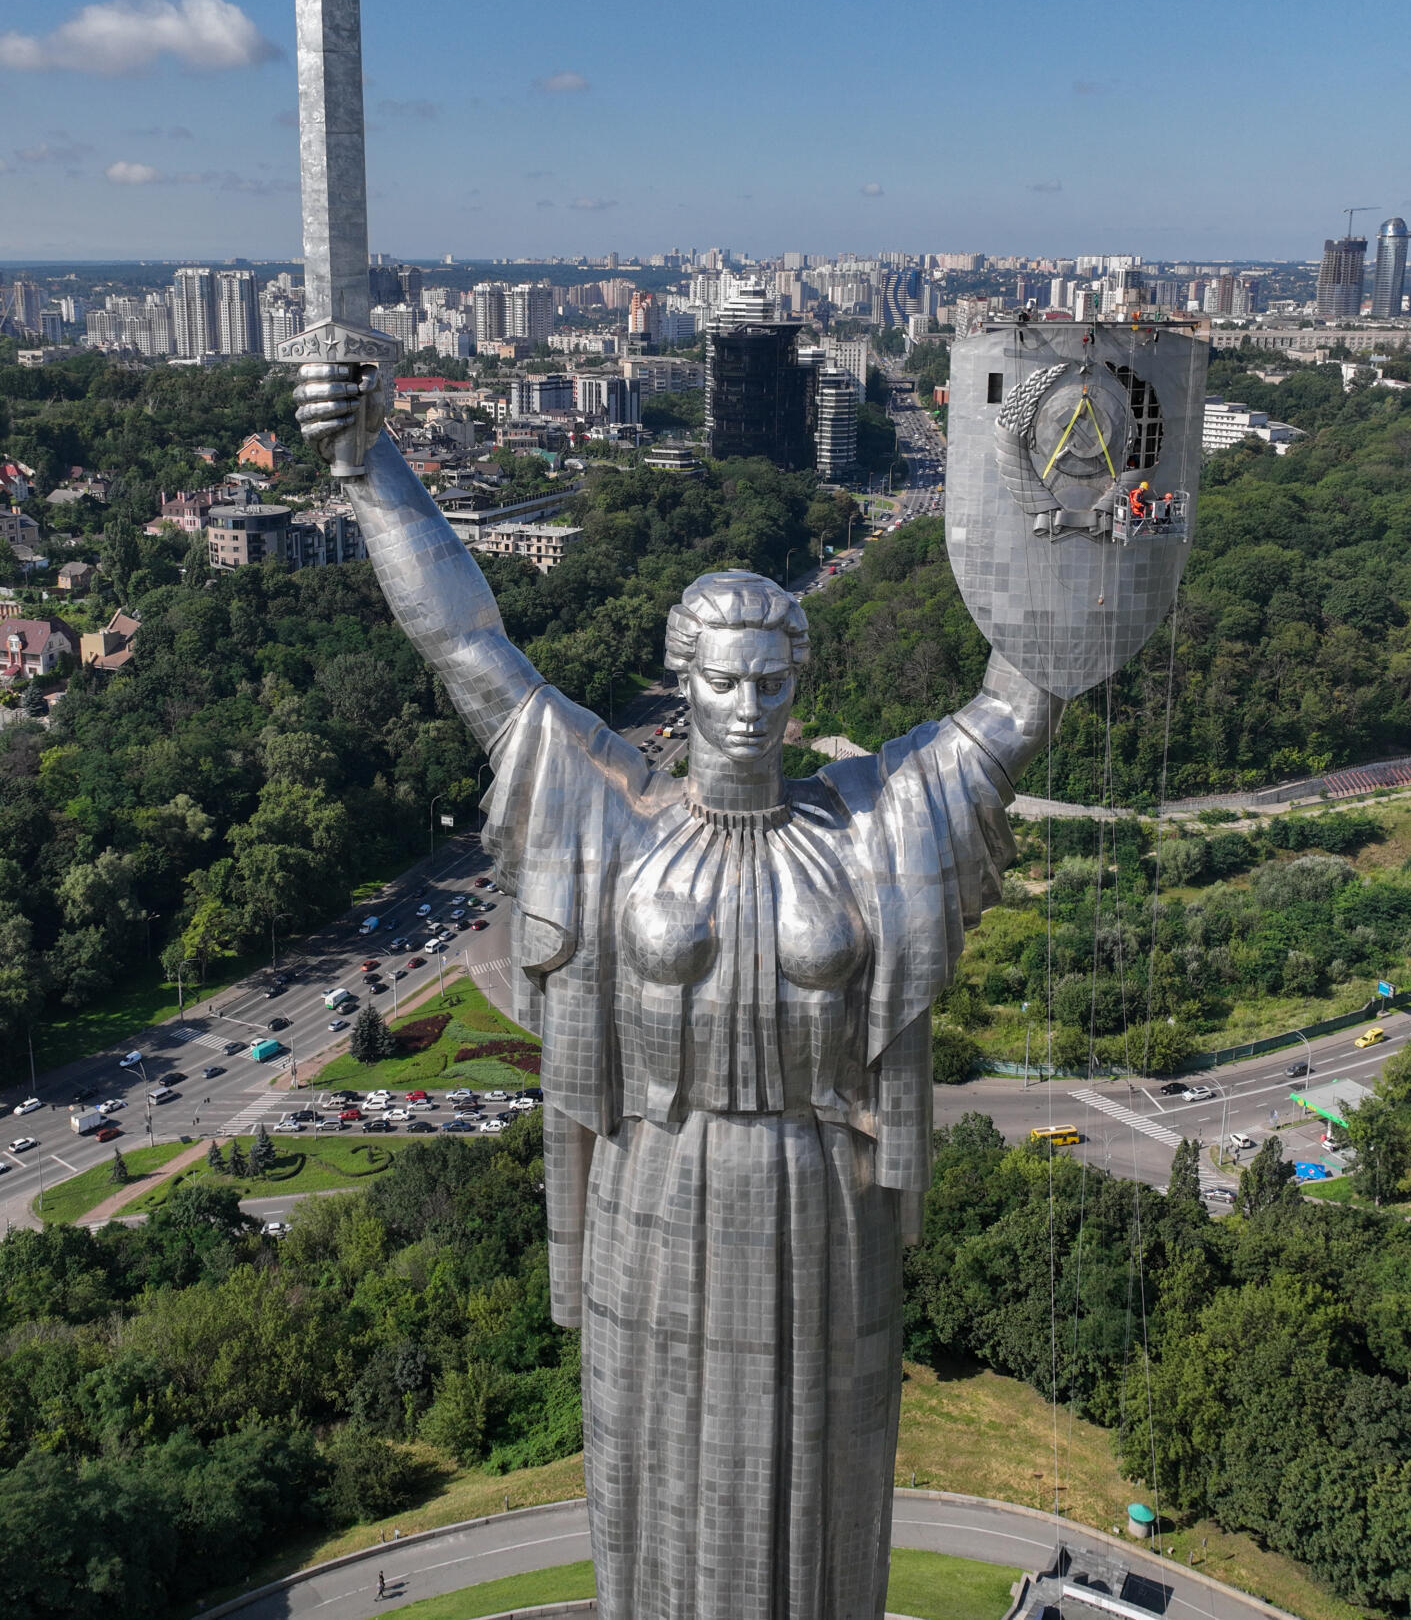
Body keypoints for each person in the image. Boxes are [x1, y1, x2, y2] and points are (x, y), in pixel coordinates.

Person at [295, 369, 1055, 1620]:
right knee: (654, 1489)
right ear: (682, 680)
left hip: (821, 1202)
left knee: (822, 1486)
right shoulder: (608, 813)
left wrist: (1076, 500)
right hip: (652, 1186)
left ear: (793, 682)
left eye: (770, 683)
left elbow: (1016, 701)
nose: (748, 710)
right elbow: (464, 644)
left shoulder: (873, 821)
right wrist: (369, 465)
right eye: (722, 682)